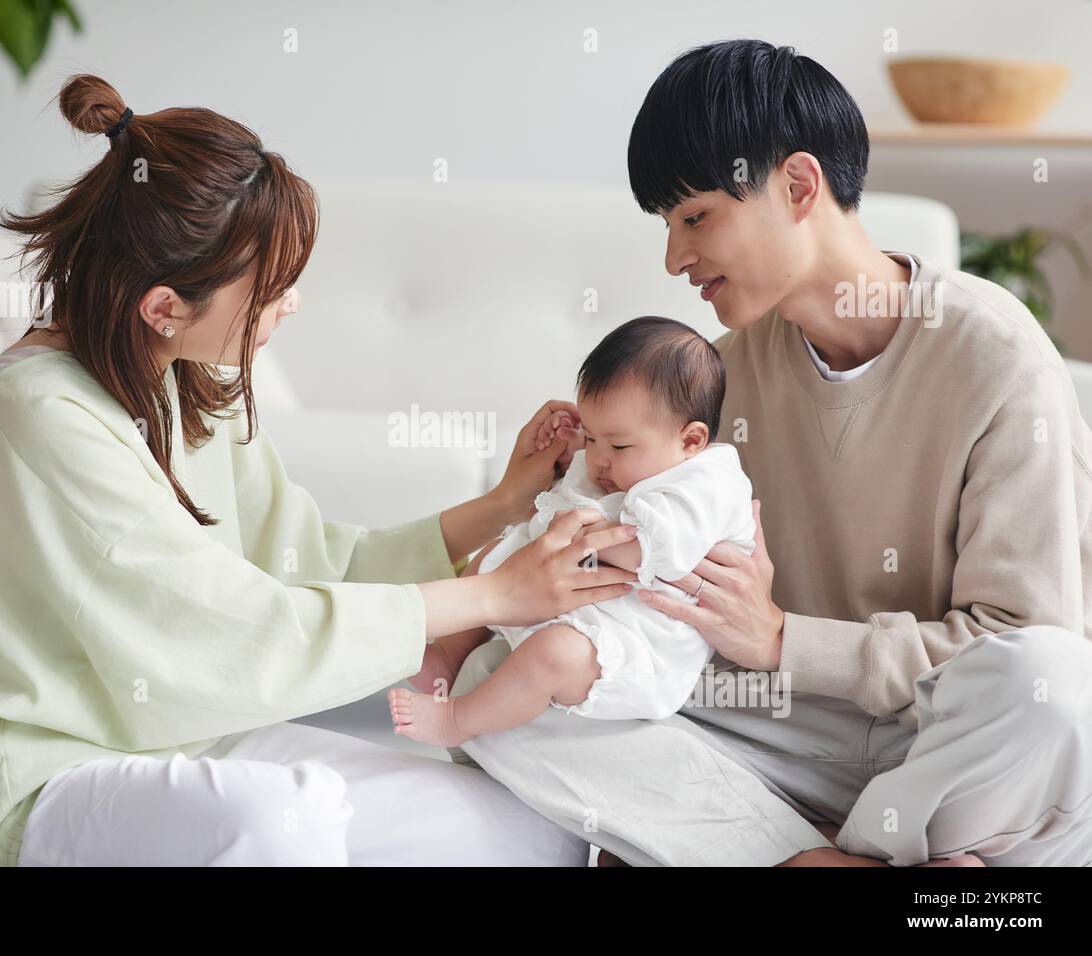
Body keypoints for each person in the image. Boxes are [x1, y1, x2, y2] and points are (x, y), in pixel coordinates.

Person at [0, 74, 642, 867]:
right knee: (281, 825)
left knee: (532, 832)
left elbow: (309, 563)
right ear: (164, 306)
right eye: (271, 287)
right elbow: (227, 631)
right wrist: (492, 595)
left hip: (182, 737)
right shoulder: (39, 415)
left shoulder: (179, 374)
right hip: (25, 776)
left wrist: (504, 504)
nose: (292, 304)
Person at [449, 39, 1092, 867]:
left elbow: (1024, 645)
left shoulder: (995, 358)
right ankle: (830, 862)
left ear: (796, 186)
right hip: (772, 732)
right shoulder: (714, 384)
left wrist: (787, 638)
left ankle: (787, 850)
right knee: (496, 689)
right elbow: (632, 582)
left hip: (936, 747)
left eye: (695, 217)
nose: (675, 259)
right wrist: (550, 501)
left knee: (1054, 687)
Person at [388, 317, 756, 744]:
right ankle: (450, 658)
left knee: (553, 654)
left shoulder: (708, 484)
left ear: (691, 440)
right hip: (577, 599)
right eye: (591, 437)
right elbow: (558, 503)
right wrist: (563, 455)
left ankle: (456, 721)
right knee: (493, 554)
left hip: (635, 642)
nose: (598, 459)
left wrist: (573, 534)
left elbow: (656, 552)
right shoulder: (613, 466)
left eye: (617, 445)